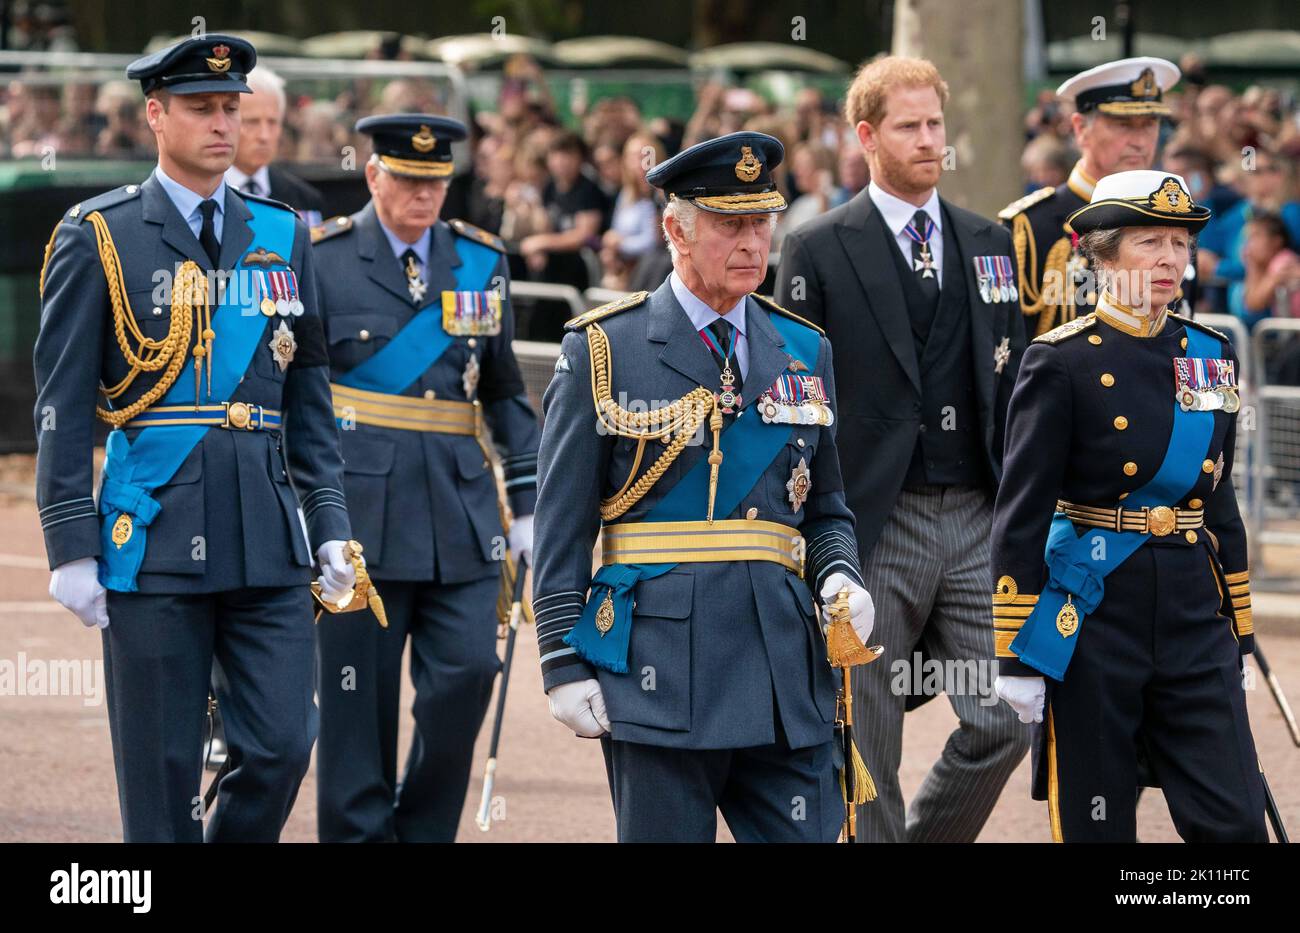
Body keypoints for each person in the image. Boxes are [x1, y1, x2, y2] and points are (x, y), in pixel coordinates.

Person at [34, 34, 355, 842]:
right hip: (154, 533)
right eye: (200, 108)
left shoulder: (282, 235)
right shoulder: (97, 234)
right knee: (163, 769)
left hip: (267, 537)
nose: (222, 123)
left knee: (283, 742)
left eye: (229, 108)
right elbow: (63, 402)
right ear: (155, 114)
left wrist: (331, 521)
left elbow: (308, 395)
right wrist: (68, 541)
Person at [532, 131, 873, 842]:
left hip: (783, 667)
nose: (753, 242)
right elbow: (562, 523)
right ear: (674, 231)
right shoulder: (604, 348)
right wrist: (562, 659)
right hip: (657, 669)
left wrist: (841, 575)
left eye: (761, 222)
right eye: (729, 224)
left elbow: (827, 507)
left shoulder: (805, 349)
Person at [776, 55, 1030, 843]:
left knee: (1005, 718)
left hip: (974, 516)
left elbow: (1011, 375)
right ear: (866, 135)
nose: (929, 141)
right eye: (909, 126)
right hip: (869, 520)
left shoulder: (989, 240)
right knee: (868, 735)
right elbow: (795, 397)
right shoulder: (816, 248)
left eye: (935, 125)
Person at [991, 170, 1266, 842]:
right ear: (1102, 255)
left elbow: (1217, 497)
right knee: (1097, 820)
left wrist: (1241, 624)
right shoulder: (1060, 360)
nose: (1171, 259)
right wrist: (1014, 654)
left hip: (1192, 614)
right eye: (1150, 242)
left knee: (1232, 821)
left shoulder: (1211, 354)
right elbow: (1020, 512)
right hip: (1093, 612)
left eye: (1180, 243)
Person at [310, 114, 540, 842]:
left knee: (468, 674)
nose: (423, 194)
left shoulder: (480, 260)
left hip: (460, 516)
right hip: (358, 514)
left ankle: (422, 831)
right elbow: (300, 393)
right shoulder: (324, 258)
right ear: (373, 175)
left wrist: (529, 500)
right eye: (407, 179)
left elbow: (502, 389)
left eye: (436, 181)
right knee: (358, 705)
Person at [1002, 57, 1180, 339]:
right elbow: (1009, 349)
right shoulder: (1032, 226)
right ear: (1080, 128)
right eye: (1123, 124)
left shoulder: (1173, 219)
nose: (1140, 140)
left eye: (1149, 124)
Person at [225, 65, 327, 226]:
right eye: (252, 122)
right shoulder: (203, 193)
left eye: (272, 122)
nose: (264, 136)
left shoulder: (304, 199)